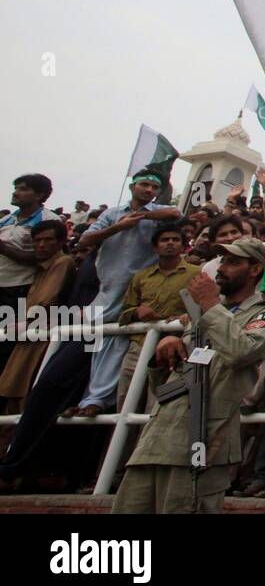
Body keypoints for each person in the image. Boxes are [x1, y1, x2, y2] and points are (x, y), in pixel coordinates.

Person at [112, 239, 265, 513]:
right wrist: (164, 354)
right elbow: (169, 386)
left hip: (204, 439)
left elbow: (241, 351)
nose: (223, 267)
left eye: (233, 262)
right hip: (159, 437)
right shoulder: (199, 313)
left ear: (255, 270)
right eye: (222, 260)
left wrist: (211, 305)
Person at [67, 171, 181, 417]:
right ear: (132, 186)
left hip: (138, 289)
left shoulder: (157, 213)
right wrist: (119, 226)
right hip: (107, 289)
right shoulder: (111, 214)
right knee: (94, 343)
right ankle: (87, 396)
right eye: (144, 184)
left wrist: (142, 216)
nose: (148, 189)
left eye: (153, 186)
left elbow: (175, 214)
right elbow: (85, 239)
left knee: (118, 340)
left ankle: (97, 399)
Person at [115, 224, 202, 416]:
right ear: (155, 247)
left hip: (174, 348)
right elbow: (123, 312)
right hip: (138, 345)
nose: (170, 243)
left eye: (175, 239)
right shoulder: (142, 277)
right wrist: (137, 311)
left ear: (183, 246)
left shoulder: (196, 274)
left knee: (156, 405)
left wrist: (187, 316)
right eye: (164, 240)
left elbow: (205, 309)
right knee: (125, 401)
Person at [0, 219, 76, 409]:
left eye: (48, 240)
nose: (41, 245)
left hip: (41, 333)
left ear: (60, 242)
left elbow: (48, 299)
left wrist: (26, 321)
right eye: (37, 240)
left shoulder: (62, 262)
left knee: (24, 390)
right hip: (30, 332)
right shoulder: (41, 266)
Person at [0, 174, 58, 377]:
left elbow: (43, 258)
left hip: (20, 289)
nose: (16, 192)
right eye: (16, 187)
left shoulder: (49, 220)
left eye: (24, 189)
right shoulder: (7, 219)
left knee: (7, 344)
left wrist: (3, 248)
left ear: (40, 195)